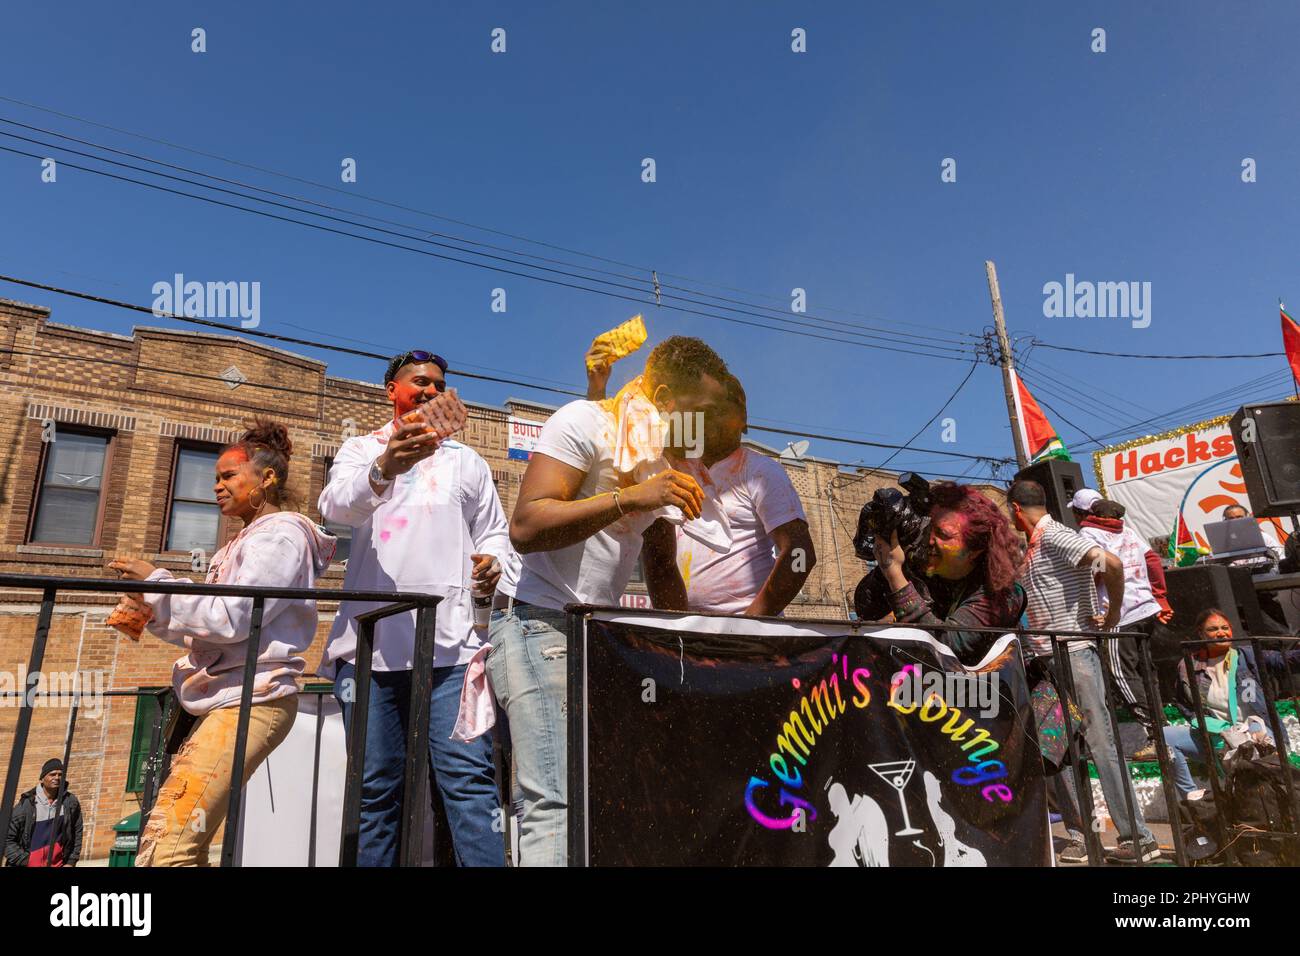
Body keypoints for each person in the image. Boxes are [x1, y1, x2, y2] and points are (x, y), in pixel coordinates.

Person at [493, 335, 726, 865]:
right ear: (666, 394)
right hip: (536, 621)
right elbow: (526, 526)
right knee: (554, 799)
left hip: (588, 633)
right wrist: (628, 497)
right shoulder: (582, 421)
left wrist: (684, 648)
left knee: (593, 792)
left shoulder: (660, 458)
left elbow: (662, 567)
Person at [111, 420, 336, 866]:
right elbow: (206, 629)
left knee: (169, 847)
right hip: (229, 698)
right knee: (171, 844)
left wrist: (159, 581)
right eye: (215, 478)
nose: (217, 486)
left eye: (229, 476)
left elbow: (234, 617)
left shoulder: (283, 534)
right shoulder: (237, 544)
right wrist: (152, 606)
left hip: (255, 699)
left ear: (266, 478)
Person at [319, 350, 511, 867]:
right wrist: (386, 467)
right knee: (376, 789)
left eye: (439, 385)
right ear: (391, 390)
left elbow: (494, 531)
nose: (429, 391)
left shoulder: (465, 460)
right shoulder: (363, 449)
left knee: (469, 783)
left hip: (451, 652)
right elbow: (335, 507)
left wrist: (493, 560)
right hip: (370, 652)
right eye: (418, 382)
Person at [1007, 479, 1159, 864]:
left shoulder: (1056, 535)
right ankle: (1081, 835)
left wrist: (1111, 615)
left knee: (1101, 743)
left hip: (1074, 655)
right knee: (1056, 749)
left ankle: (1138, 839)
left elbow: (1110, 564)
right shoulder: (1035, 543)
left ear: (1014, 509)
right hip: (1042, 661)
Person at [673, 372, 815, 616]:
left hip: (745, 639)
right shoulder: (678, 470)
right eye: (705, 411)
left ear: (742, 420)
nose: (713, 420)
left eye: (723, 411)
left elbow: (801, 554)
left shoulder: (761, 472)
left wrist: (750, 623)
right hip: (686, 636)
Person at [870, 482, 1026, 664]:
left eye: (943, 534)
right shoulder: (929, 577)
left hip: (995, 690)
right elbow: (867, 608)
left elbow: (944, 646)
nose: (928, 541)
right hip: (937, 689)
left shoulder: (1002, 594)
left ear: (974, 549)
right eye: (928, 529)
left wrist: (895, 575)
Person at [1073, 490, 1174, 761]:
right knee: (1145, 673)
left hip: (1122, 615)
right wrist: (1160, 597)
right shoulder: (1126, 530)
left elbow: (1095, 572)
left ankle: (1156, 737)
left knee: (1122, 675)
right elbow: (1152, 559)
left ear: (1082, 514)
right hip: (1145, 609)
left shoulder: (1088, 536)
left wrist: (1098, 610)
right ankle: (1164, 733)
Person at [1163, 608, 1300, 797]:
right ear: (1201, 634)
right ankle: (1193, 797)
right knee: (1165, 736)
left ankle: (1260, 802)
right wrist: (1208, 725)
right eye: (1213, 629)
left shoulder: (1247, 656)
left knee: (1253, 738)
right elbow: (1183, 703)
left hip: (1257, 732)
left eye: (1225, 627)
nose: (1221, 632)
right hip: (1217, 735)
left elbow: (1286, 661)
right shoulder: (1188, 666)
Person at [4, 759, 82, 867]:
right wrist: (27, 861)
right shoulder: (26, 805)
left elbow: (77, 833)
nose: (57, 778)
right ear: (42, 779)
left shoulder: (70, 802)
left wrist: (71, 862)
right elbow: (6, 839)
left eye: (60, 775)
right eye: (52, 774)